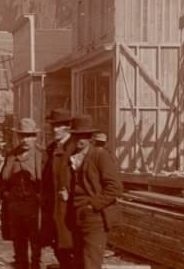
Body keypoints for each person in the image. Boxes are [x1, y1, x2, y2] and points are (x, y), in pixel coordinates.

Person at [66, 115, 122, 269]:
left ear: (90, 137)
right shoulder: (72, 157)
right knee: (78, 261)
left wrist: (93, 205)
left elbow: (115, 187)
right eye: (76, 135)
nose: (80, 140)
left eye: (84, 136)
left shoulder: (100, 155)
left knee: (91, 262)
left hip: (95, 217)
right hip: (76, 215)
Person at [0, 118, 48, 269]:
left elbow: (48, 181)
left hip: (34, 205)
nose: (26, 140)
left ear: (35, 137)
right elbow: (1, 179)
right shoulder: (11, 155)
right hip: (15, 206)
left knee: (35, 242)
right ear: (18, 137)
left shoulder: (42, 155)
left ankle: (35, 265)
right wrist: (5, 194)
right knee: (18, 243)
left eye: (30, 136)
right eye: (23, 136)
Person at [40, 108, 76, 268]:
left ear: (67, 127)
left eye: (59, 126)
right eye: (53, 126)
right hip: (52, 205)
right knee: (56, 243)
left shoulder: (74, 148)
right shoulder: (51, 147)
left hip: (69, 207)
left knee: (70, 245)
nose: (55, 129)